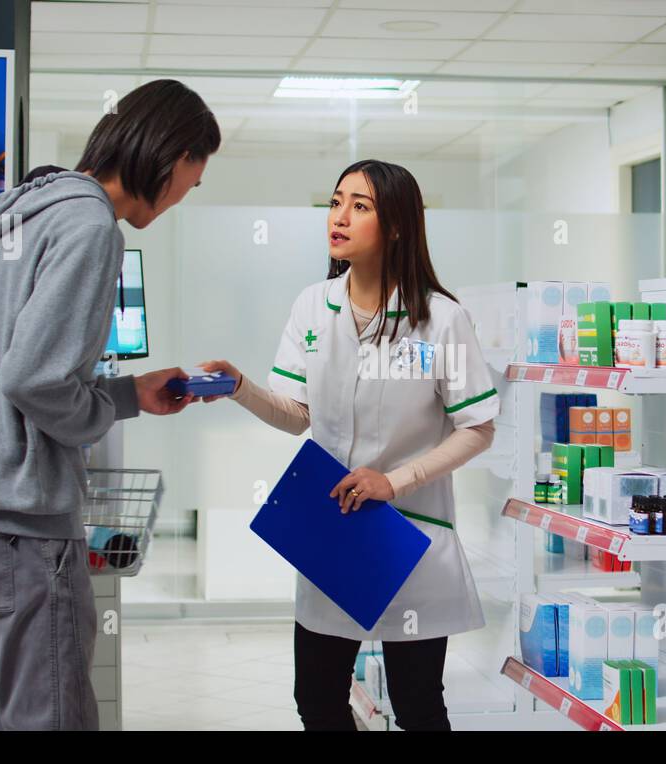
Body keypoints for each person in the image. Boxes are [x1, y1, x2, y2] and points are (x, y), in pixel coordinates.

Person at [0, 79, 217, 730]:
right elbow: (31, 380)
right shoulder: (90, 226)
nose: (184, 197)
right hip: (20, 523)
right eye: (192, 181)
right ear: (171, 158)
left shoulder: (27, 210)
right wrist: (99, 412)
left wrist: (126, 394)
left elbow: (15, 366)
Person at [202, 159, 499, 731]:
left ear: (395, 227)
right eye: (336, 202)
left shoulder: (440, 320)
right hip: (335, 533)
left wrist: (396, 480)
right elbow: (296, 417)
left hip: (409, 537)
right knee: (315, 700)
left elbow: (478, 428)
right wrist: (239, 387)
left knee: (417, 705)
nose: (339, 217)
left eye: (359, 206)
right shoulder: (313, 305)